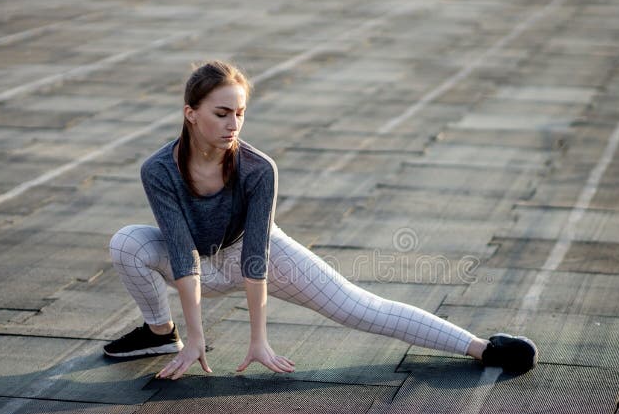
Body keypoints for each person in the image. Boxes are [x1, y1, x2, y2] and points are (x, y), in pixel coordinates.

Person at [104, 60, 538, 380]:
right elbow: (182, 255)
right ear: (190, 113)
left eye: (240, 113)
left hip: (255, 256)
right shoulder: (158, 170)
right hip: (198, 262)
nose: (233, 123)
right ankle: (162, 333)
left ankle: (481, 347)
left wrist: (258, 339)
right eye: (221, 114)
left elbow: (257, 257)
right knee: (127, 242)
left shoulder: (258, 169)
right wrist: (195, 337)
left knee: (356, 306)